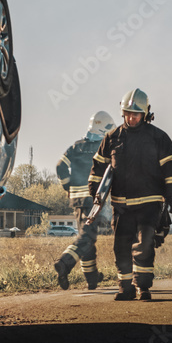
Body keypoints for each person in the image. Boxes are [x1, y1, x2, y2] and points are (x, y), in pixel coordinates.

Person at [88, 88, 172, 301]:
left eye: (136, 114)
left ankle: (143, 287)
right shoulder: (112, 137)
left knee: (144, 246)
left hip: (149, 204)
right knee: (121, 248)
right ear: (123, 113)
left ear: (145, 114)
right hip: (121, 206)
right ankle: (125, 288)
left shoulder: (159, 137)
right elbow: (98, 167)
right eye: (128, 114)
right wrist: (95, 192)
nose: (131, 118)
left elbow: (170, 168)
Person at [52, 111, 116, 290]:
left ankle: (92, 278)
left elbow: (60, 166)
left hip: (77, 200)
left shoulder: (76, 146)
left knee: (88, 237)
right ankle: (64, 263)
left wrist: (68, 186)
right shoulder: (104, 148)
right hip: (94, 199)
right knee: (86, 238)